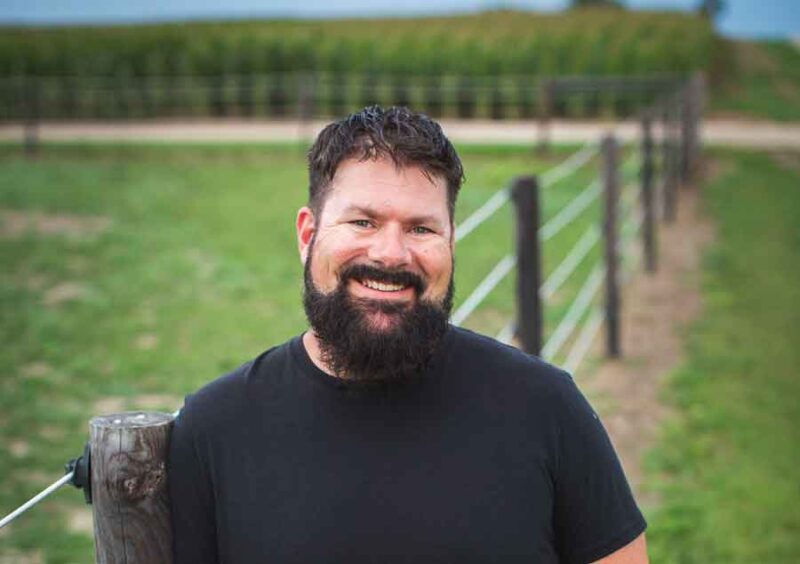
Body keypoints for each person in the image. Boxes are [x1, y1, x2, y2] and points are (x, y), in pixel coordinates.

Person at [167, 105, 648, 563]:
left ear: (451, 241)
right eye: (363, 222)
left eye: (421, 229)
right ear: (307, 234)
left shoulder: (546, 407)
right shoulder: (213, 430)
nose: (391, 253)